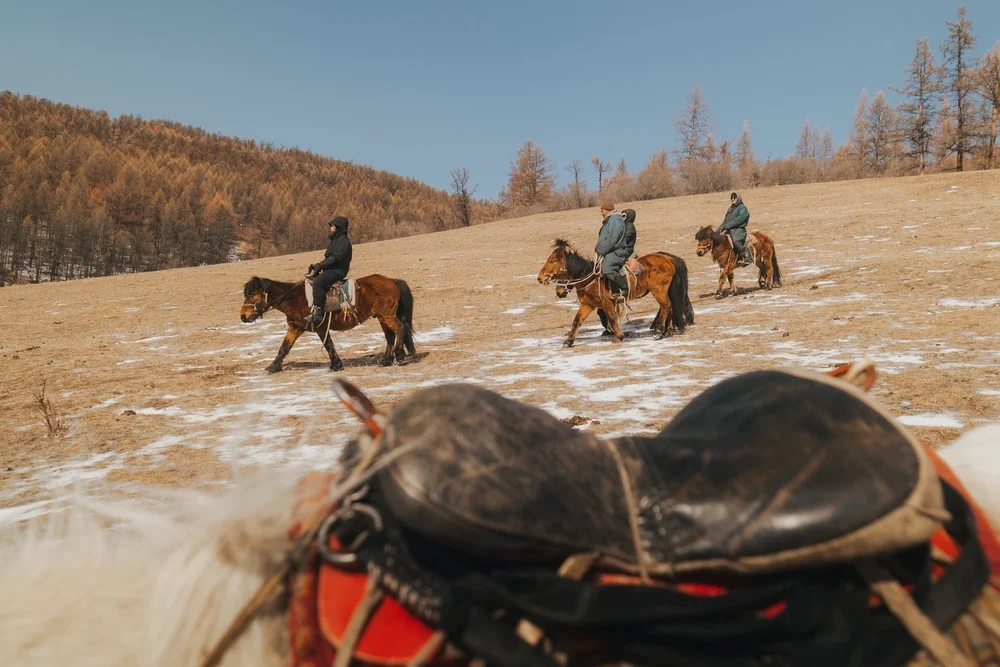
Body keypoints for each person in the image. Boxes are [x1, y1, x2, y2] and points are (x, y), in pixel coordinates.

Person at [305, 216, 353, 326]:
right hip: (332, 268)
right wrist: (316, 266)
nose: (331, 228)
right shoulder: (336, 240)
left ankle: (318, 313)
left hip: (337, 270)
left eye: (333, 226)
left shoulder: (343, 242)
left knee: (318, 282)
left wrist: (320, 266)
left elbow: (335, 258)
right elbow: (329, 259)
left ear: (339, 227)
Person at [594, 202, 630, 296]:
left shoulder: (614, 220)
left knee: (608, 268)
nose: (601, 213)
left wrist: (600, 250)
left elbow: (611, 238)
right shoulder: (611, 220)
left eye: (602, 211)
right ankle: (613, 291)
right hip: (610, 250)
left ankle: (624, 287)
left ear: (606, 210)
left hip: (616, 251)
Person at [717, 192, 752, 266]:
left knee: (736, 241)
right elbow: (725, 221)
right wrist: (717, 231)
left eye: (734, 197)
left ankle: (747, 256)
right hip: (729, 230)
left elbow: (739, 219)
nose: (733, 199)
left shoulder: (742, 208)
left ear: (738, 198)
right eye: (731, 198)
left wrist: (728, 226)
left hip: (739, 229)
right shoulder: (730, 209)